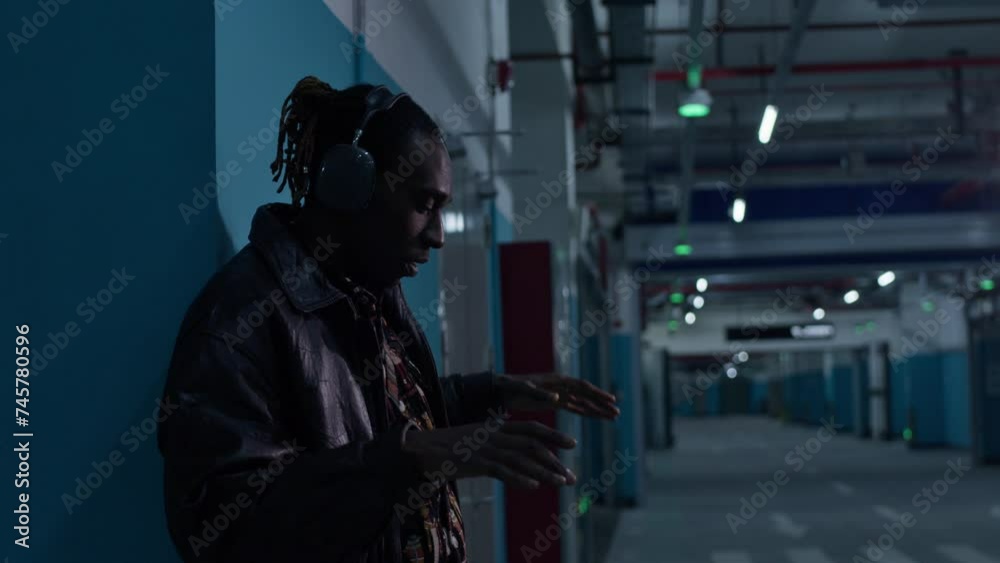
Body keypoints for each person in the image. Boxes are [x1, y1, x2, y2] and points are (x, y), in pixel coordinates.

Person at [157, 76, 620, 563]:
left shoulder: (366, 293)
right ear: (348, 187)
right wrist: (410, 459)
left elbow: (374, 417)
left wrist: (493, 390)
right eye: (425, 205)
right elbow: (221, 525)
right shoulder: (238, 318)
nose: (438, 235)